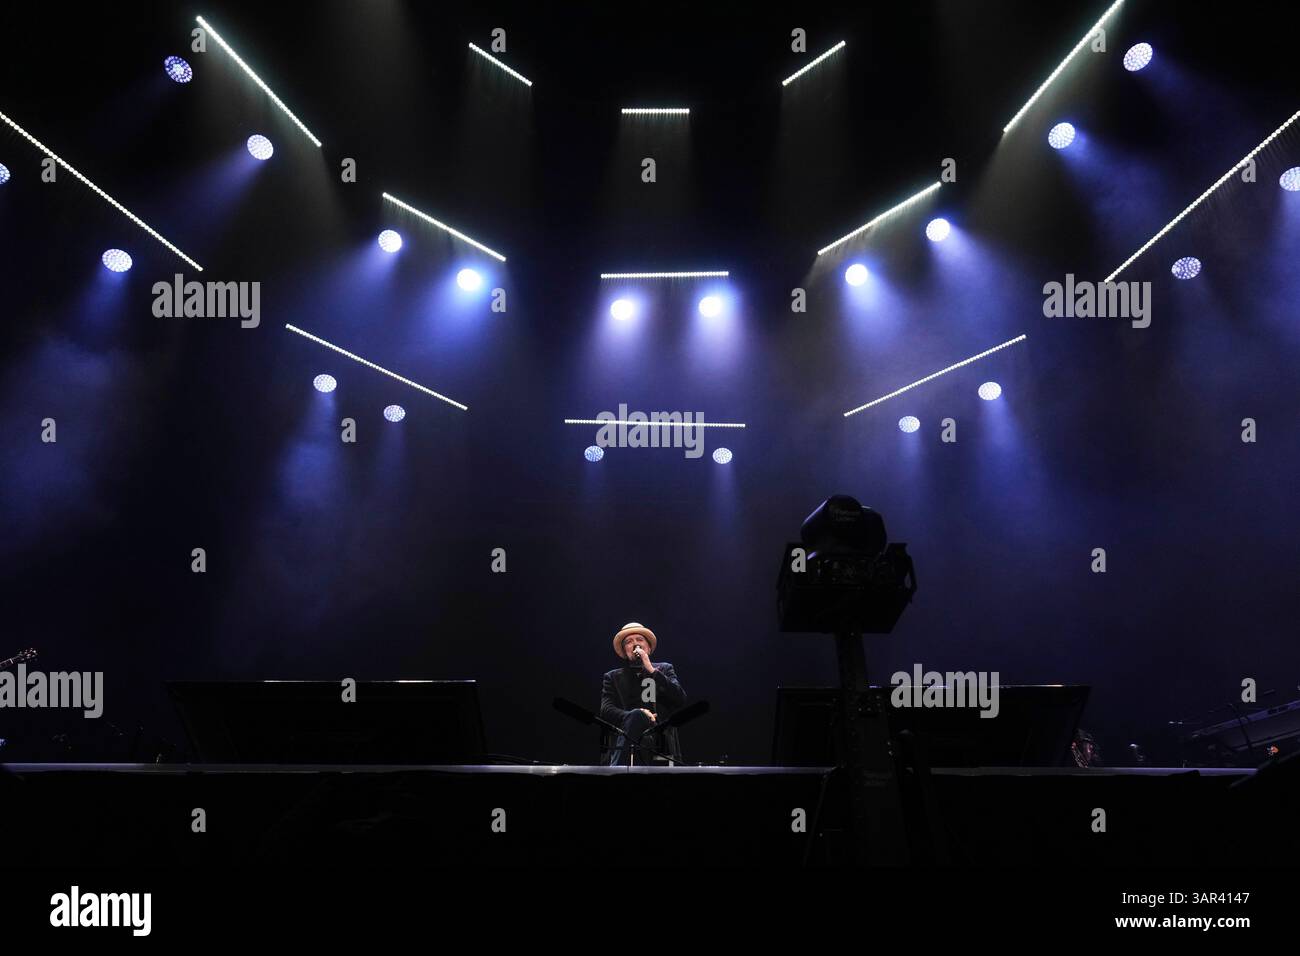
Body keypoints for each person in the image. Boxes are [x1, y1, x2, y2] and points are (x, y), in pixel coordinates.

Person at [600, 622, 687, 765]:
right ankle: (616, 771)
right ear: (624, 651)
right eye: (629, 642)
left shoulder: (664, 669)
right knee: (637, 715)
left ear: (649, 648)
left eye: (640, 640)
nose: (635, 644)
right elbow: (606, 710)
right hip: (627, 739)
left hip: (660, 740)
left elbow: (680, 699)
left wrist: (652, 671)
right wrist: (634, 715)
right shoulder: (612, 677)